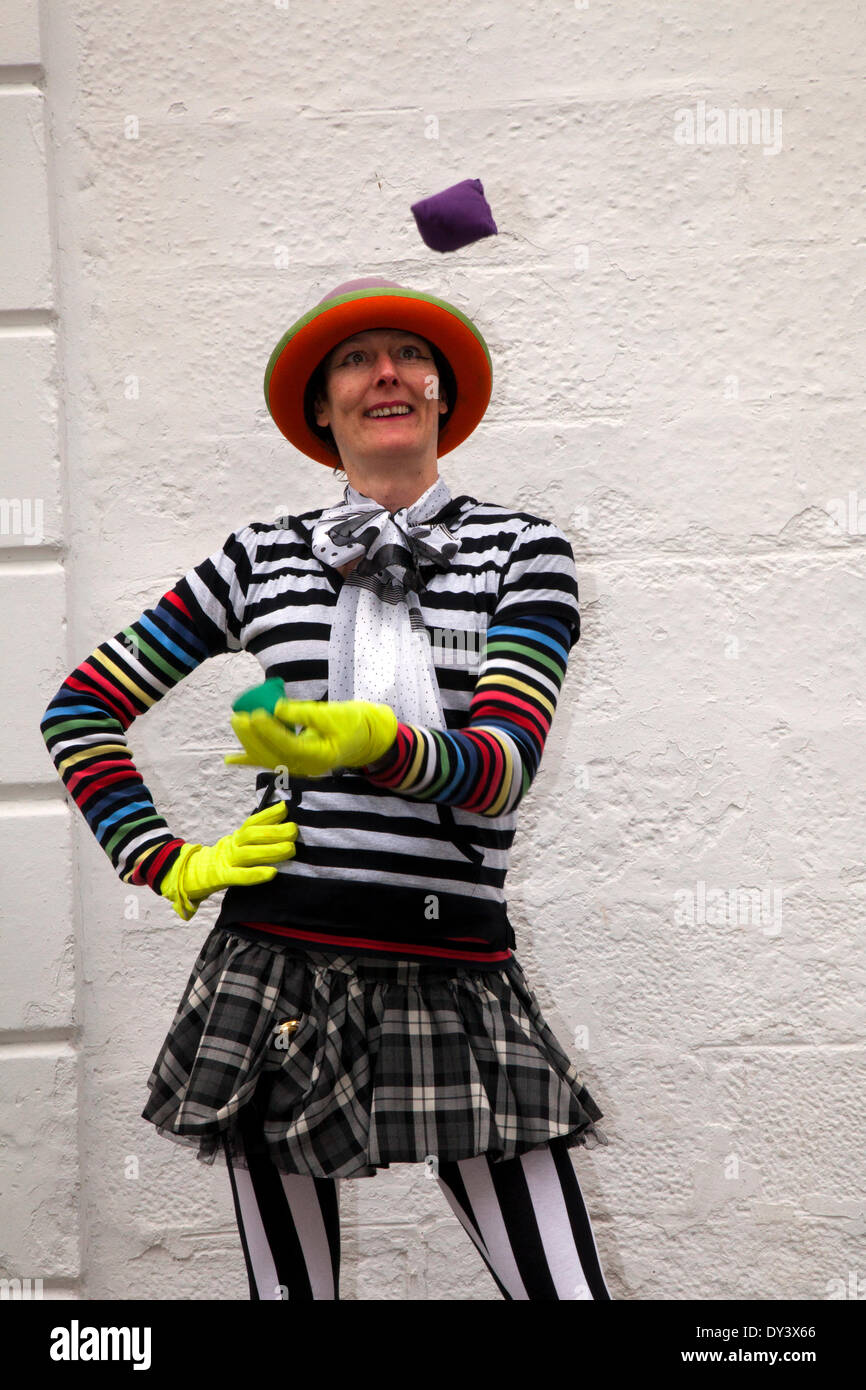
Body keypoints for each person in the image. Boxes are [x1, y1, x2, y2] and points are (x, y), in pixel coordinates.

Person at [39, 275, 612, 1301]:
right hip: (274, 970)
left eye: (406, 354)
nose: (383, 372)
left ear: (442, 394)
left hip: (453, 966)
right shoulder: (258, 558)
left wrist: (375, 742)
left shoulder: (526, 552)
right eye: (353, 359)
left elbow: (500, 767)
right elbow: (79, 710)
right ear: (320, 407)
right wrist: (169, 858)